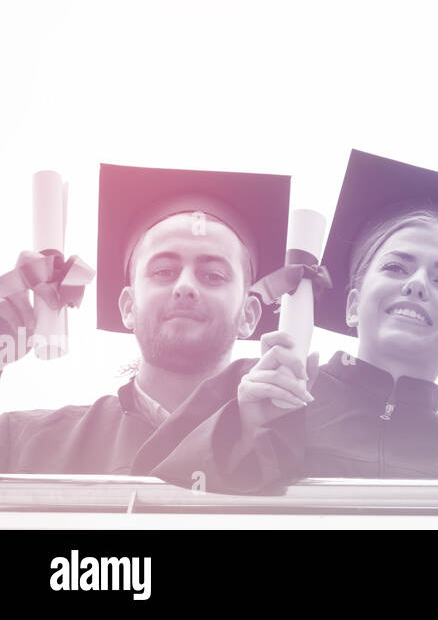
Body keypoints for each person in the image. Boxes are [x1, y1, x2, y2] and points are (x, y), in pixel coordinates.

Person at [160, 150, 438, 491]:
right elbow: (154, 502)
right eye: (396, 267)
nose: (416, 285)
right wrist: (244, 431)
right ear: (353, 305)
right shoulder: (254, 392)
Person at [0, 163, 290, 478]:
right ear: (128, 306)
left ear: (249, 315)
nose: (185, 287)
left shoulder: (287, 446)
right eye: (164, 271)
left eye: (213, 275)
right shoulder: (27, 443)